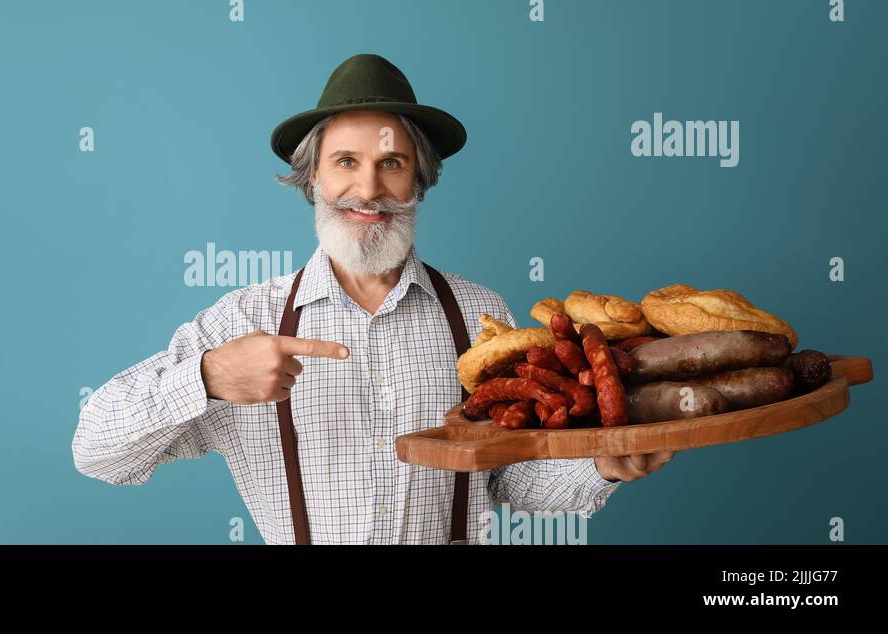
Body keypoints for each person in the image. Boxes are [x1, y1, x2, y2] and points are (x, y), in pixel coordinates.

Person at [72, 54, 672, 544]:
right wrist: (206, 376)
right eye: (345, 162)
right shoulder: (243, 321)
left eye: (392, 163)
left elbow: (515, 480)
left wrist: (599, 466)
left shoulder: (477, 316)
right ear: (313, 178)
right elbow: (97, 451)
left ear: (419, 178)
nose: (368, 188)